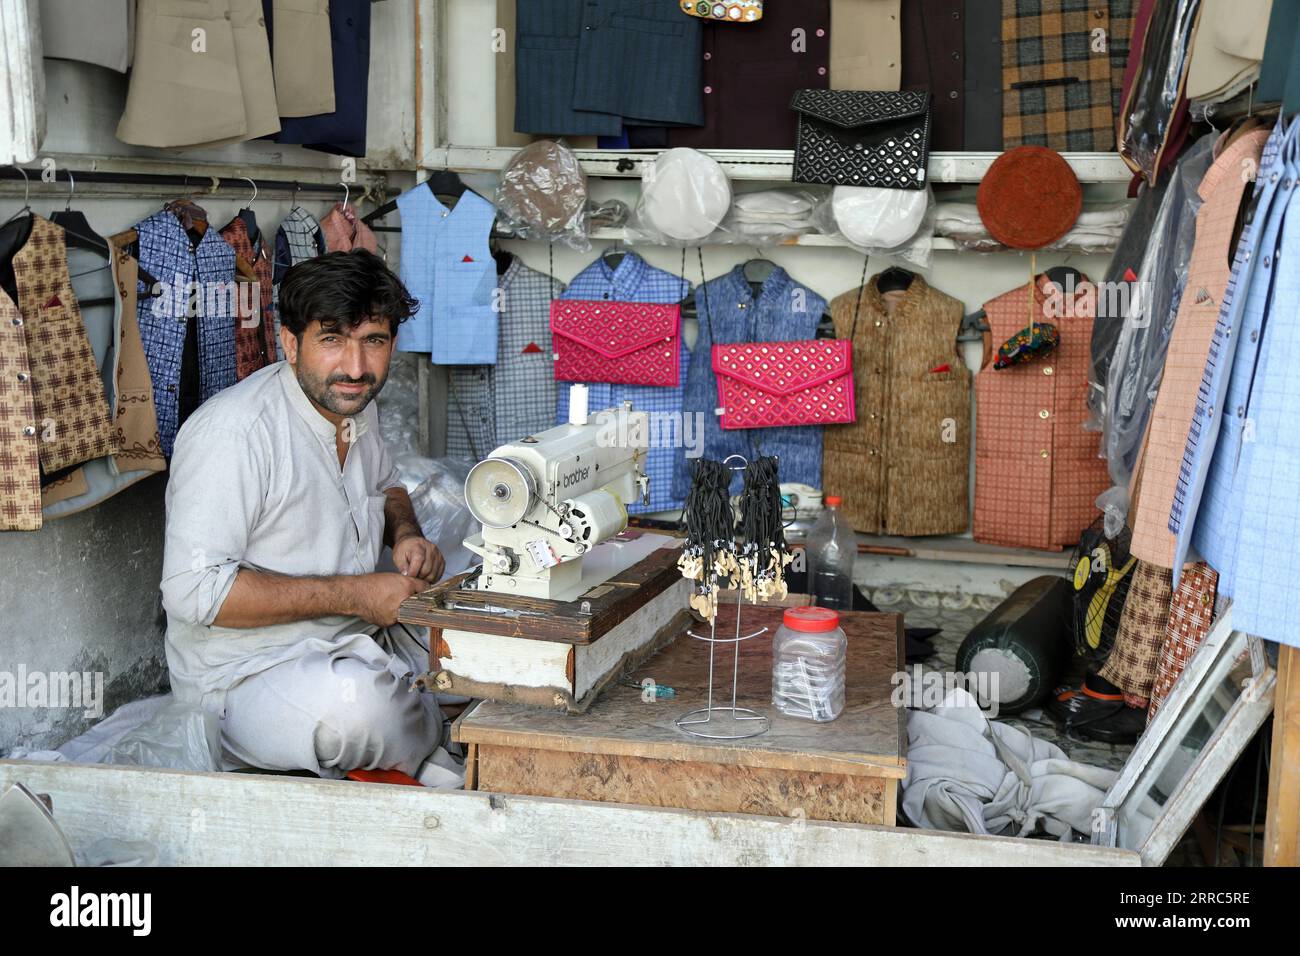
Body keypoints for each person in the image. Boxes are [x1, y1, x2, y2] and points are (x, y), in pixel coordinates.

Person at [159, 250, 459, 785]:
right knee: (364, 712)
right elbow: (194, 593)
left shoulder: (354, 402)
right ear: (291, 342)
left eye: (374, 340)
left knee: (503, 649)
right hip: (248, 674)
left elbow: (385, 483)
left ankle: (428, 724)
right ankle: (436, 744)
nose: (356, 366)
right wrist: (359, 595)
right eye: (332, 339)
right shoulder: (234, 434)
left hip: (361, 638)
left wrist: (406, 532)